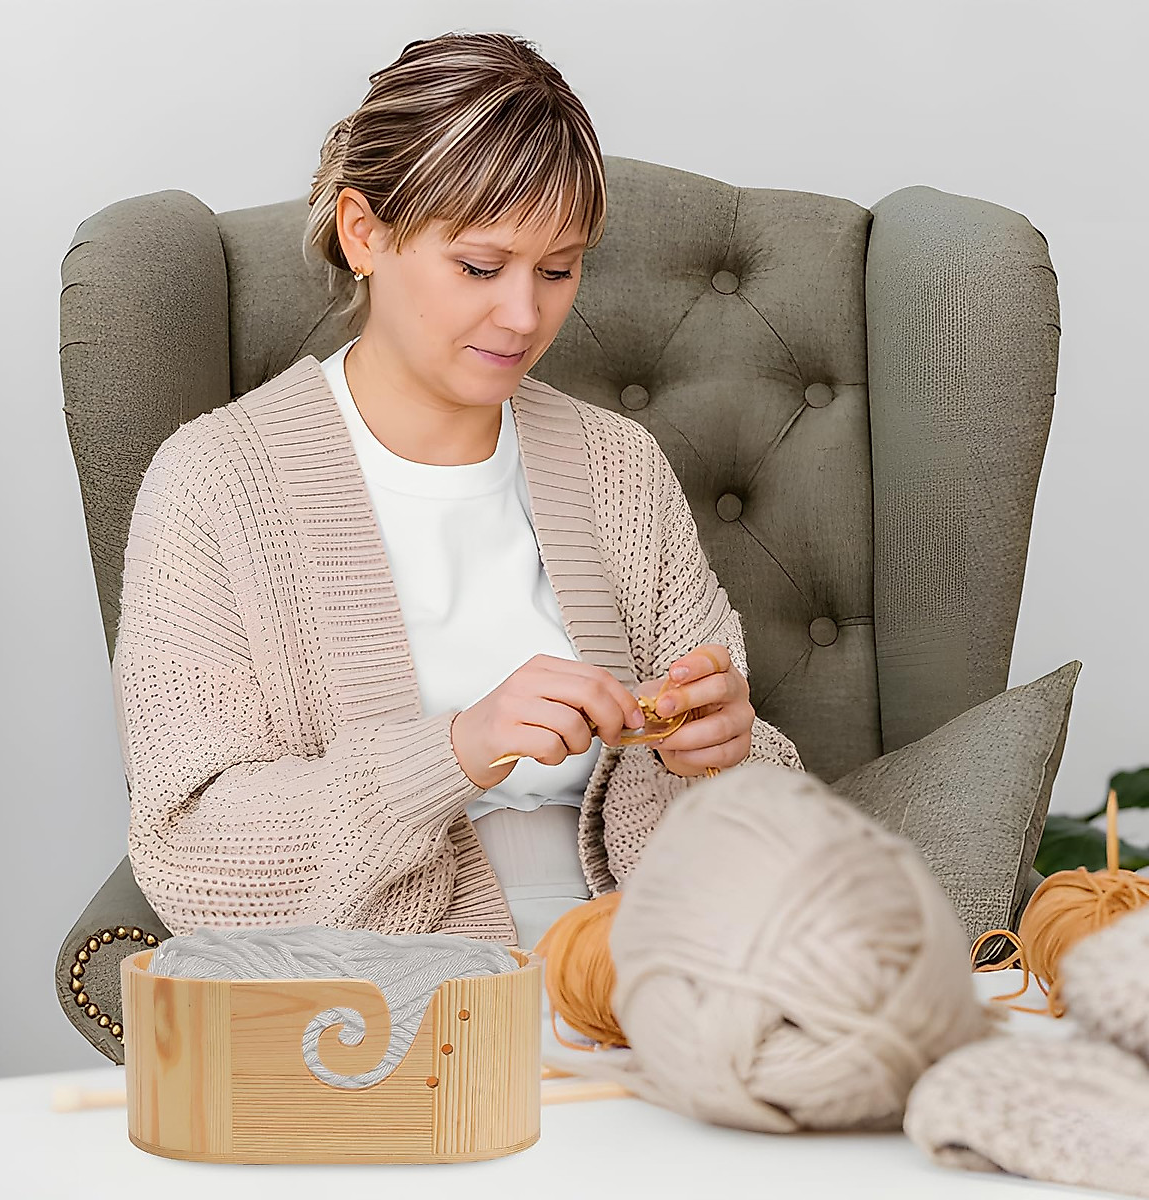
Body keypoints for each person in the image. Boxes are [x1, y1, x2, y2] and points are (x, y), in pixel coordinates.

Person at [113, 30, 805, 963]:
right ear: (365, 233)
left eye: (558, 270)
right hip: (382, 980)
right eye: (480, 268)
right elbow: (193, 852)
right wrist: (457, 749)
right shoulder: (216, 484)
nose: (524, 317)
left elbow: (760, 805)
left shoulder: (619, 469)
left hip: (659, 958)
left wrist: (723, 748)